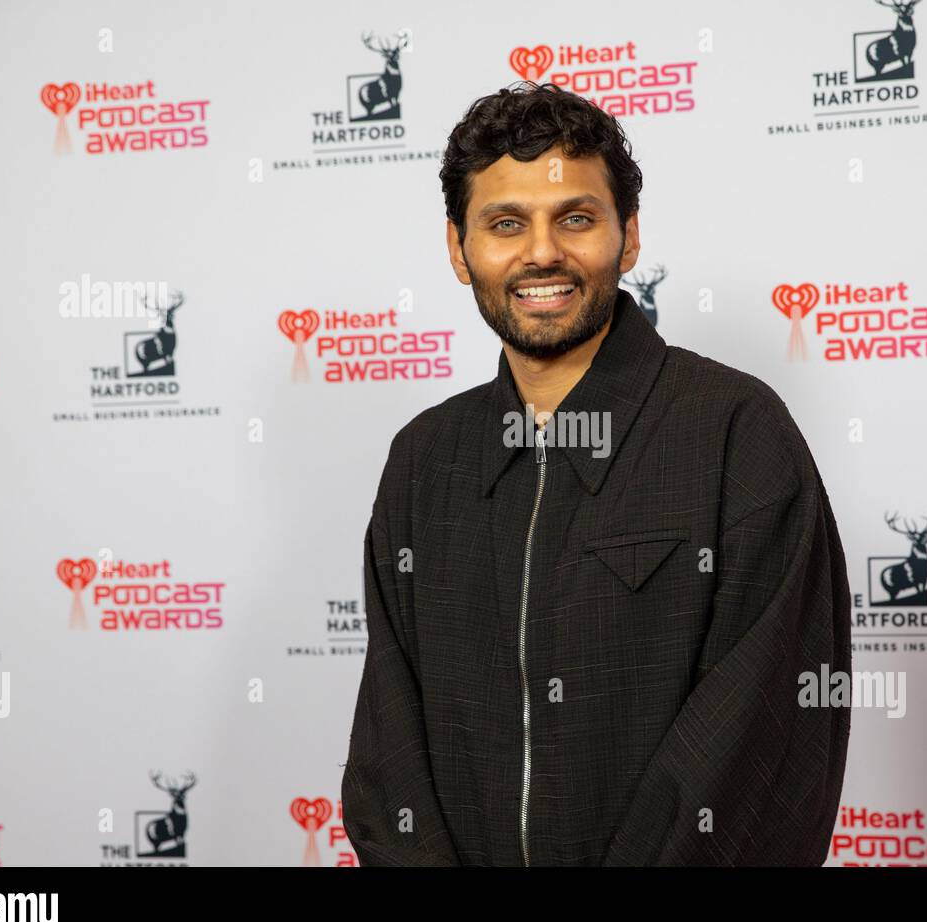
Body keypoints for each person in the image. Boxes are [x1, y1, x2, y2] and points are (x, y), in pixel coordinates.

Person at [341, 81, 851, 866]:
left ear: (630, 236)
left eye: (575, 218)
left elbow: (761, 746)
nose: (542, 252)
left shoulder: (735, 434)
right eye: (505, 223)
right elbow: (387, 751)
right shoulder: (423, 459)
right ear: (458, 248)